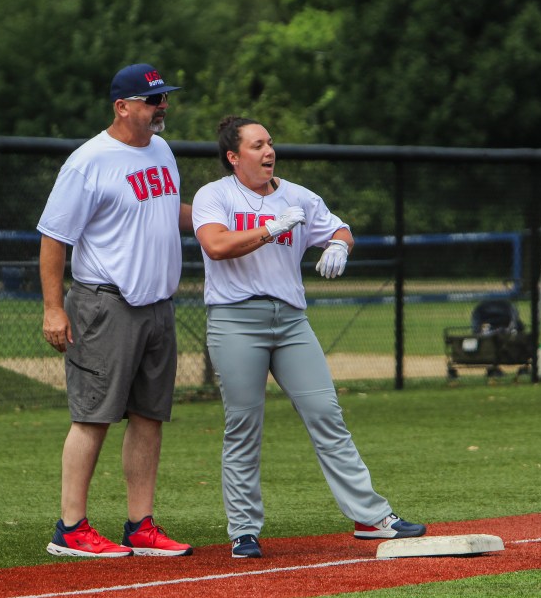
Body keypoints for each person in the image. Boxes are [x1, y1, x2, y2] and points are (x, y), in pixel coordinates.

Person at [190, 115, 426, 559]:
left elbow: (339, 228)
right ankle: (244, 530)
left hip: (291, 320)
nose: (268, 152)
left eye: (270, 143)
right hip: (236, 319)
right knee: (243, 425)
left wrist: (339, 244)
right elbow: (216, 245)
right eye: (257, 145)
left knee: (326, 415)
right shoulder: (214, 194)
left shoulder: (297, 195)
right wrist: (271, 228)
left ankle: (370, 517)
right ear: (233, 157)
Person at [36, 63, 193, 558]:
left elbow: (171, 214)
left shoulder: (162, 150)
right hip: (106, 303)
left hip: (157, 306)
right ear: (122, 106)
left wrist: (229, 219)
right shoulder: (90, 161)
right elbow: (53, 238)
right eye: (152, 100)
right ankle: (71, 527)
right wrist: (54, 309)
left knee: (149, 416)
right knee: (93, 416)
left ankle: (140, 524)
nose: (161, 107)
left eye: (163, 98)